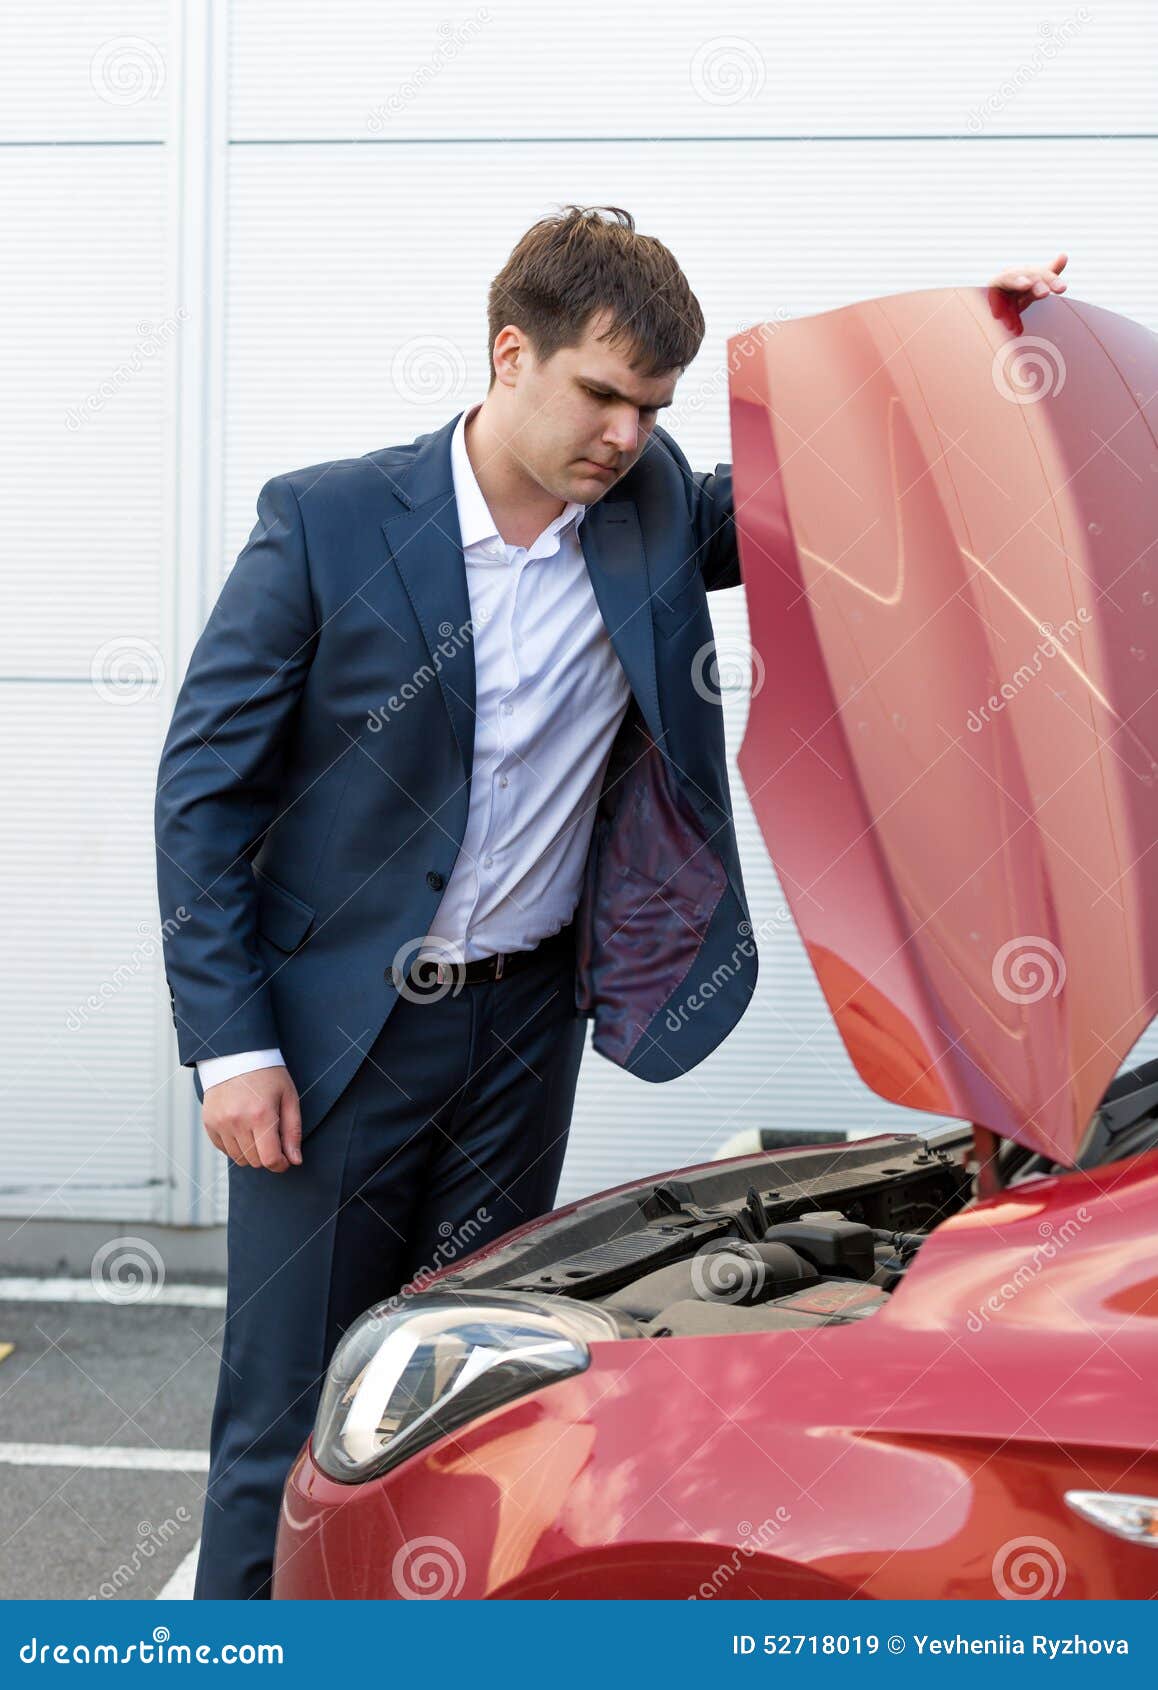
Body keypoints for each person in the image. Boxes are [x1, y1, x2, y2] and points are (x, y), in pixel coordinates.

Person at [154, 204, 1067, 1598]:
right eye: (600, 394)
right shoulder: (325, 524)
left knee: (467, 1391)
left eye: (652, 407)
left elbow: (826, 471)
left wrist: (969, 336)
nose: (627, 434)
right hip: (333, 1045)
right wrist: (234, 1045)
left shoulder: (643, 516)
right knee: (287, 1413)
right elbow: (204, 796)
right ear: (508, 353)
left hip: (521, 1030)